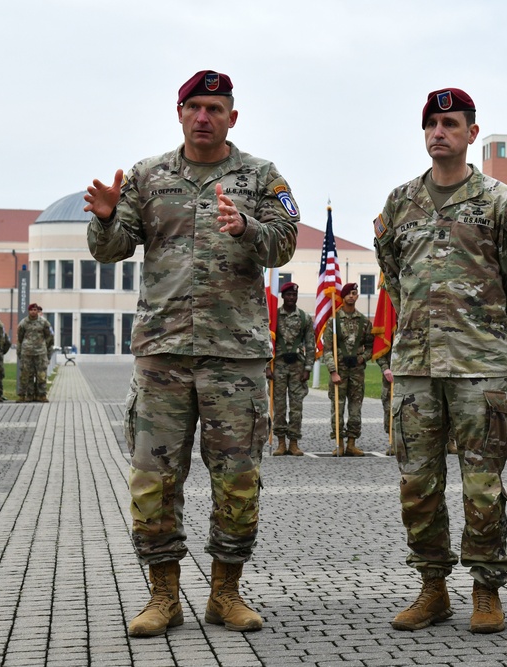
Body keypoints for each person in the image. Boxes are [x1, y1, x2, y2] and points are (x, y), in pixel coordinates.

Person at [84, 69, 299, 638]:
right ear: (179, 113)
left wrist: (247, 227)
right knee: (153, 479)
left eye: (215, 108)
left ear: (232, 117)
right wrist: (105, 218)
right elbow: (112, 249)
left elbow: (285, 242)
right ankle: (164, 596)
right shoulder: (147, 176)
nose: (204, 117)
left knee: (238, 480)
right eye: (194, 107)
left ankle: (225, 593)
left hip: (235, 355)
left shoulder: (261, 176)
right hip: (164, 351)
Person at [374, 88, 507, 634]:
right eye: (431, 124)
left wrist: (491, 333)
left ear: (472, 133)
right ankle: (433, 588)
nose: (438, 132)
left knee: (482, 485)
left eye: (450, 123)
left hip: (478, 366)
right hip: (416, 367)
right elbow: (394, 276)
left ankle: (486, 589)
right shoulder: (399, 203)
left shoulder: (500, 202)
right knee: (416, 484)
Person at [321, 282, 372, 457]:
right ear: (342, 297)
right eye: (348, 293)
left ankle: (351, 443)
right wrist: (333, 371)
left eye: (354, 293)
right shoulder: (333, 321)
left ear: (357, 296)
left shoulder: (364, 321)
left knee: (356, 408)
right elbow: (327, 349)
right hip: (340, 370)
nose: (351, 296)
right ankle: (339, 443)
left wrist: (362, 358)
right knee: (338, 408)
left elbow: (371, 347)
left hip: (357, 371)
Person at [268, 282, 314, 456]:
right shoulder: (274, 316)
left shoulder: (304, 317)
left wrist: (308, 368)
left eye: (294, 295)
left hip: (297, 368)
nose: (291, 298)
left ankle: (293, 442)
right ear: (282, 296)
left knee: (296, 407)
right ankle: (281, 442)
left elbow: (310, 344)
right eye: (288, 295)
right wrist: (267, 367)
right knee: (279, 407)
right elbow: (267, 342)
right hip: (278, 367)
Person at [16, 303, 54, 402]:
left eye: (35, 310)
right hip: (27, 352)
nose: (33, 312)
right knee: (26, 375)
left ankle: (41, 395)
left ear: (37, 311)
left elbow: (49, 336)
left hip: (40, 352)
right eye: (31, 310)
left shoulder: (44, 322)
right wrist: (20, 351)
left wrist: (44, 347)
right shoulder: (23, 323)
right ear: (28, 311)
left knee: (41, 374)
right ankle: (27, 395)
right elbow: (20, 338)